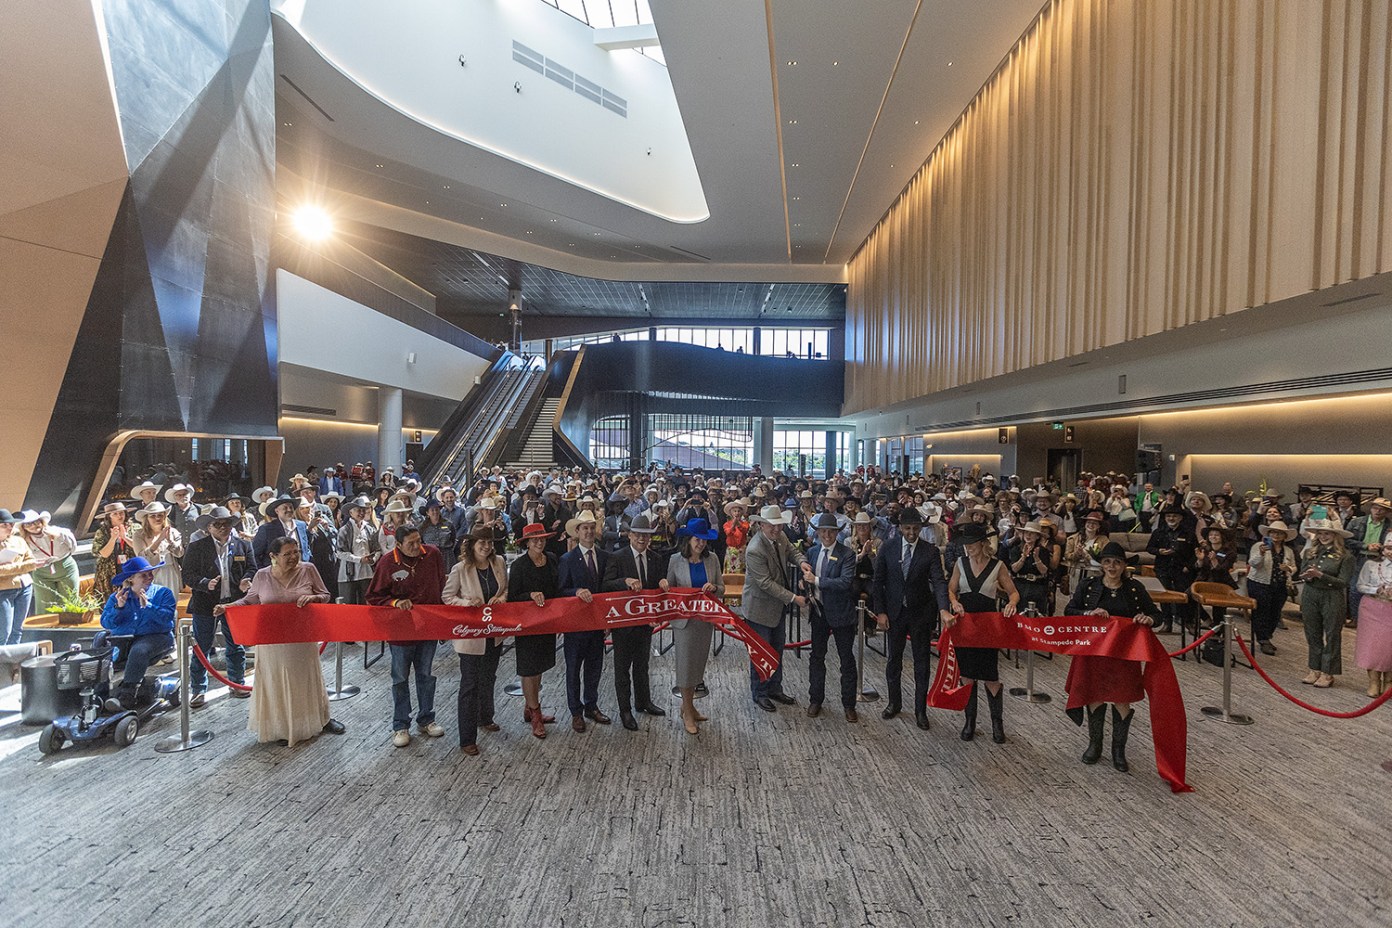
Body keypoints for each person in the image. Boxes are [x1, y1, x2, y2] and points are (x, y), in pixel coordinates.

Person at [215, 536, 344, 744]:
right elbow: (250, 599)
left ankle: (321, 719)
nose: (294, 557)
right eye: (287, 554)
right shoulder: (262, 576)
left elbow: (325, 594)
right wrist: (228, 607)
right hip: (271, 638)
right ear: (273, 556)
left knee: (305, 678)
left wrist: (313, 598)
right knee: (277, 681)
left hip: (301, 636)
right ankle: (283, 727)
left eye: (296, 552)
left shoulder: (308, 568)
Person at [1063, 541, 1160, 772]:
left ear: (1124, 565)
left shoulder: (1135, 589)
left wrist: (1149, 619)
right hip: (1094, 652)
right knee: (1094, 694)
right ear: (1102, 565)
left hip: (1124, 654)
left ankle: (1118, 750)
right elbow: (1070, 610)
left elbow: (1156, 614)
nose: (1112, 566)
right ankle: (1095, 745)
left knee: (1122, 698)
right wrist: (1089, 613)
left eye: (1117, 562)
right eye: (1107, 562)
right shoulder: (1088, 586)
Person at [368, 525, 449, 746]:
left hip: (428, 628)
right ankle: (400, 725)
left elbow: (442, 585)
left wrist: (443, 623)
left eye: (419, 541)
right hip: (400, 632)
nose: (417, 547)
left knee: (426, 675)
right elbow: (374, 597)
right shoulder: (387, 562)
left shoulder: (432, 554)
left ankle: (426, 719)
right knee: (400, 678)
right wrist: (394, 602)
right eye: (411, 544)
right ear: (398, 544)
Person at [871, 506, 951, 731]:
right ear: (899, 528)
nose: (912, 533)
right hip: (894, 613)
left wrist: (944, 608)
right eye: (907, 528)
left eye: (916, 528)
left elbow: (939, 582)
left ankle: (920, 710)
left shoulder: (930, 551)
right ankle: (894, 703)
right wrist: (881, 612)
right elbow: (878, 583)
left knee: (921, 663)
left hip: (921, 613)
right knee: (893, 660)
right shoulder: (888, 547)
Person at [945, 521, 1020, 743]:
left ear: (982, 543)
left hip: (988, 628)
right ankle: (970, 721)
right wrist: (954, 602)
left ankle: (997, 724)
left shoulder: (998, 566)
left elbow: (1013, 593)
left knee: (990, 675)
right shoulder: (960, 563)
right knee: (967, 674)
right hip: (965, 626)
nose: (968, 548)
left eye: (971, 544)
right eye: (965, 544)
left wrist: (1012, 604)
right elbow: (951, 589)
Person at [600, 513, 669, 730]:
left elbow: (656, 589)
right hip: (623, 624)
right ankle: (625, 710)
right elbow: (606, 585)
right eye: (638, 534)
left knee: (642, 665)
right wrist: (625, 582)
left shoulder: (656, 559)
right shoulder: (617, 557)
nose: (642, 539)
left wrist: (662, 582)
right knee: (622, 669)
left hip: (645, 622)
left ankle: (643, 701)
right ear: (629, 535)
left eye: (646, 535)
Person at [443, 526, 507, 755]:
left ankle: (485, 717)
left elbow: (505, 589)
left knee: (489, 676)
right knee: (469, 684)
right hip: (470, 635)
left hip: (493, 632)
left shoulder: (498, 562)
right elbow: (447, 597)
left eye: (489, 542)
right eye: (482, 542)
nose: (487, 546)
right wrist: (465, 603)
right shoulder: (460, 568)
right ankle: (467, 738)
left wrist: (500, 598)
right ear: (471, 544)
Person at [182, 506, 255, 706]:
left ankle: (237, 683)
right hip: (205, 604)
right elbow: (187, 575)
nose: (223, 527)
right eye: (218, 524)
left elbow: (252, 567)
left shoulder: (243, 545)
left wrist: (247, 579)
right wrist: (205, 583)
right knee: (202, 647)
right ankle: (198, 689)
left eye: (227, 524)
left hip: (233, 603)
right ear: (208, 527)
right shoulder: (197, 547)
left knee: (236, 645)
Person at [743, 505, 813, 712]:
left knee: (777, 649)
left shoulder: (780, 537)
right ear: (761, 525)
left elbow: (792, 551)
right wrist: (794, 598)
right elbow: (765, 583)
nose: (776, 529)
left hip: (777, 605)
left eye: (779, 525)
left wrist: (802, 563)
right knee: (761, 653)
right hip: (759, 608)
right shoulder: (755, 549)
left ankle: (775, 688)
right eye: (771, 525)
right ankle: (760, 693)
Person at [667, 517, 724, 734]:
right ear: (688, 540)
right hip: (684, 622)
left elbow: (722, 588)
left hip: (704, 620)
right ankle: (688, 712)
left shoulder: (713, 560)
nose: (700, 544)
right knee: (685, 666)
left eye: (703, 540)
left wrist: (714, 588)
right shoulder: (675, 560)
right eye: (696, 539)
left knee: (698, 664)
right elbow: (669, 589)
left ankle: (687, 706)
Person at [557, 511, 611, 732]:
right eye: (584, 528)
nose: (588, 531)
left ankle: (591, 705)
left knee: (594, 668)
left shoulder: (606, 557)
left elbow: (608, 592)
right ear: (577, 532)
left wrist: (608, 621)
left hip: (597, 625)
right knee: (573, 670)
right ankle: (575, 711)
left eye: (591, 527)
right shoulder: (567, 560)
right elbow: (559, 591)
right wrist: (576, 591)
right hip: (576, 625)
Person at [98, 556, 176, 709]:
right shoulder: (117, 597)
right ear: (131, 579)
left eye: (150, 574)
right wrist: (118, 608)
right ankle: (100, 693)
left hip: (157, 636)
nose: (149, 577)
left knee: (139, 650)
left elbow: (167, 619)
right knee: (101, 649)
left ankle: (128, 692)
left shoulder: (163, 593)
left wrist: (148, 606)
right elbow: (106, 623)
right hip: (123, 639)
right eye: (144, 575)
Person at [508, 522, 562, 739]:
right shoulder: (520, 566)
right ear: (527, 543)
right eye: (534, 540)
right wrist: (529, 595)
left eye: (542, 539)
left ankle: (530, 707)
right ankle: (536, 713)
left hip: (547, 621)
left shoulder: (551, 559)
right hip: (527, 623)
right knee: (528, 668)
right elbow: (513, 597)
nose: (539, 542)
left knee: (538, 666)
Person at [804, 513, 860, 722]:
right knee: (817, 657)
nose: (827, 534)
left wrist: (816, 580)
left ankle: (849, 704)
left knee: (846, 659)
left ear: (837, 532)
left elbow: (845, 582)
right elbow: (807, 579)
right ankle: (815, 699)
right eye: (823, 531)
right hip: (818, 613)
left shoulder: (847, 554)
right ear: (817, 532)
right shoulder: (812, 552)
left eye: (831, 531)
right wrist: (805, 585)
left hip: (842, 614)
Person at [1298, 518, 1355, 688]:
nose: (1323, 536)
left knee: (1332, 634)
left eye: (1327, 533)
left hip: (1332, 596)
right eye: (1320, 533)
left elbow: (1343, 582)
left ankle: (1328, 672)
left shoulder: (1346, 556)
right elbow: (1302, 572)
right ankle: (1314, 668)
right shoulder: (1310, 552)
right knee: (1312, 632)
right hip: (1310, 594)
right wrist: (1306, 575)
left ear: (1335, 535)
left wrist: (1321, 576)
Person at [1246, 520, 1298, 655]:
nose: (1276, 535)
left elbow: (1294, 566)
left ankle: (1266, 636)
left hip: (1280, 584)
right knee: (1261, 611)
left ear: (1284, 536)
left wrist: (1289, 568)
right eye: (1274, 532)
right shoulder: (1258, 546)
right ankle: (1263, 639)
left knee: (1275, 613)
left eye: (1280, 533)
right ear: (1269, 534)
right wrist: (1261, 554)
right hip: (1259, 583)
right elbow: (1253, 563)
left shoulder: (1288, 551)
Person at [16, 511, 79, 616]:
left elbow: (73, 546)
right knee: (44, 604)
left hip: (65, 567)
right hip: (41, 572)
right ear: (24, 527)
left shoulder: (58, 531)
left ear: (42, 522)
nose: (33, 526)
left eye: (36, 522)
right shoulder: (23, 540)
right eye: (28, 524)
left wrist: (59, 536)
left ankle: (70, 629)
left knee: (70, 601)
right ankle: (46, 631)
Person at [1147, 509, 1196, 633]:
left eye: (1174, 515)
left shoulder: (1188, 533)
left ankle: (1187, 621)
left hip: (1181, 569)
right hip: (1162, 567)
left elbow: (1195, 553)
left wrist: (1188, 567)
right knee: (1164, 596)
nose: (1171, 518)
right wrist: (1159, 551)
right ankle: (1167, 623)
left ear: (1180, 518)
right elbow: (1150, 548)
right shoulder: (1158, 532)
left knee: (1183, 596)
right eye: (1168, 516)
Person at [1354, 541, 1392, 697]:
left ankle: (1389, 681)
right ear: (1383, 550)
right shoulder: (1370, 564)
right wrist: (1376, 589)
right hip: (1372, 608)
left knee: (1389, 647)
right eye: (1390, 548)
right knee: (1372, 646)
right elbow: (1360, 585)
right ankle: (1374, 681)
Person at [0, 510, 38, 644]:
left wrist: (9, 567)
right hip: (3, 591)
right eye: (4, 525)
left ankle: (13, 662)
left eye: (11, 524)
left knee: (18, 630)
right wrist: (20, 567)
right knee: (4, 632)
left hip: (25, 586)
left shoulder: (18, 540)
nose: (10, 528)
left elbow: (32, 562)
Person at [130, 502, 185, 594]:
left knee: (171, 601)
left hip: (171, 571)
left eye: (160, 515)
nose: (157, 518)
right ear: (146, 518)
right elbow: (142, 556)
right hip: (150, 573)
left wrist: (170, 541)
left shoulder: (173, 532)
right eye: (152, 516)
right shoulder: (139, 534)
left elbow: (179, 553)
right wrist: (159, 540)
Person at [335, 496, 381, 606]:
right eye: (358, 510)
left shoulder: (370, 529)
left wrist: (372, 560)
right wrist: (359, 560)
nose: (361, 513)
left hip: (367, 573)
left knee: (366, 604)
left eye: (362, 510)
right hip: (348, 575)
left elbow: (377, 549)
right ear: (351, 513)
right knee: (348, 606)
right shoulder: (344, 530)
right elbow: (340, 552)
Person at [252, 496, 309, 569]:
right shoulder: (267, 529)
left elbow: (306, 548)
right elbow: (255, 554)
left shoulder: (301, 525)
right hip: (277, 574)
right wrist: (265, 573)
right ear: (277, 511)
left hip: (300, 571)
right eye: (285, 508)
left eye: (291, 507)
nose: (289, 510)